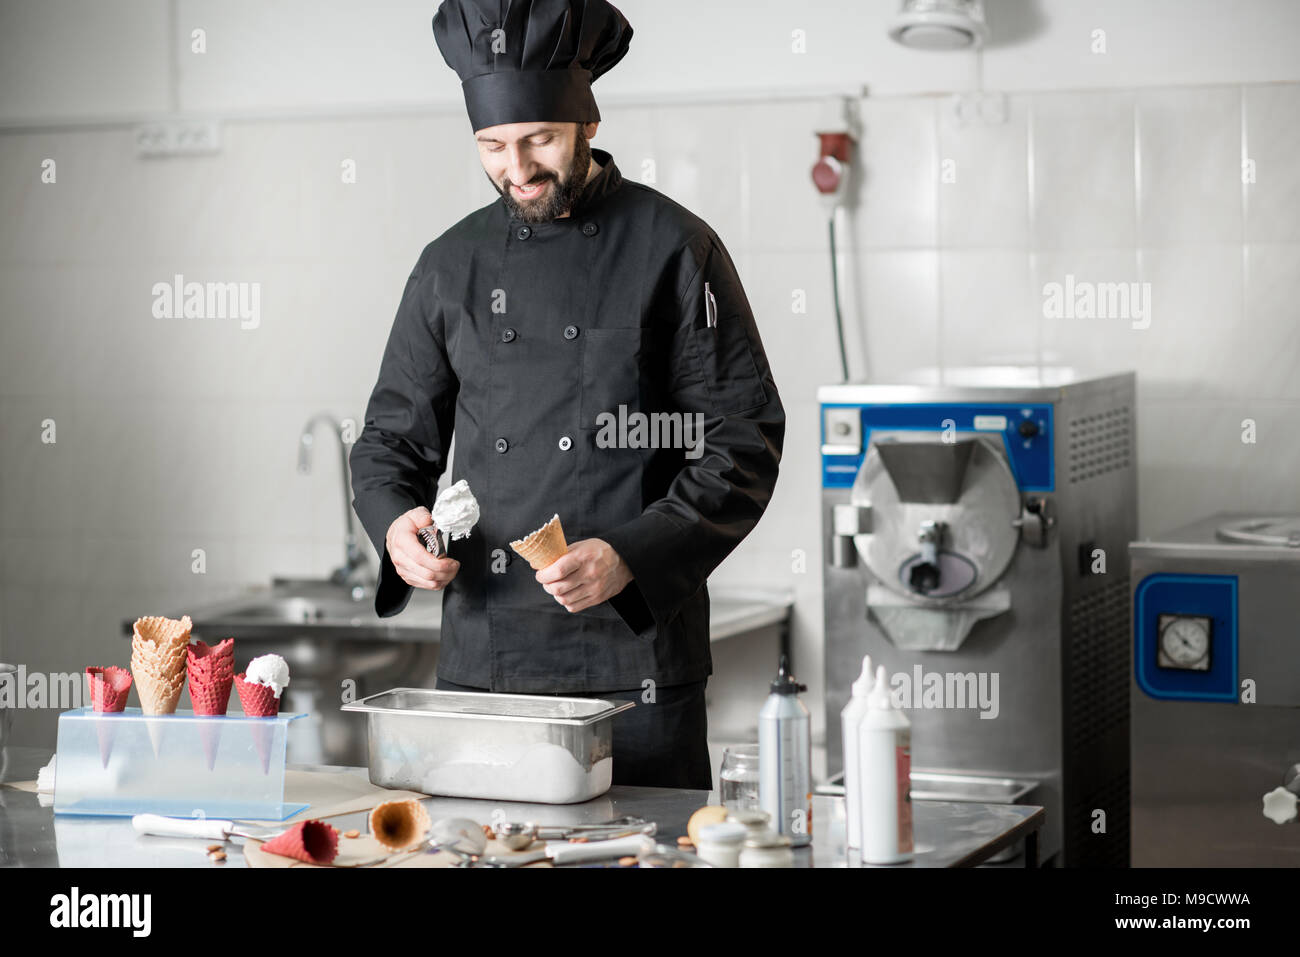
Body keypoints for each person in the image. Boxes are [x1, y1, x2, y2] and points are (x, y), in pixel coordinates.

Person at [349, 0, 785, 790]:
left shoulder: (674, 249)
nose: (516, 169)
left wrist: (631, 555)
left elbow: (742, 443)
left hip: (635, 667)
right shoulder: (450, 266)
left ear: (584, 120)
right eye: (491, 146)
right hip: (485, 666)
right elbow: (389, 443)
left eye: (538, 140)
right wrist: (396, 525)